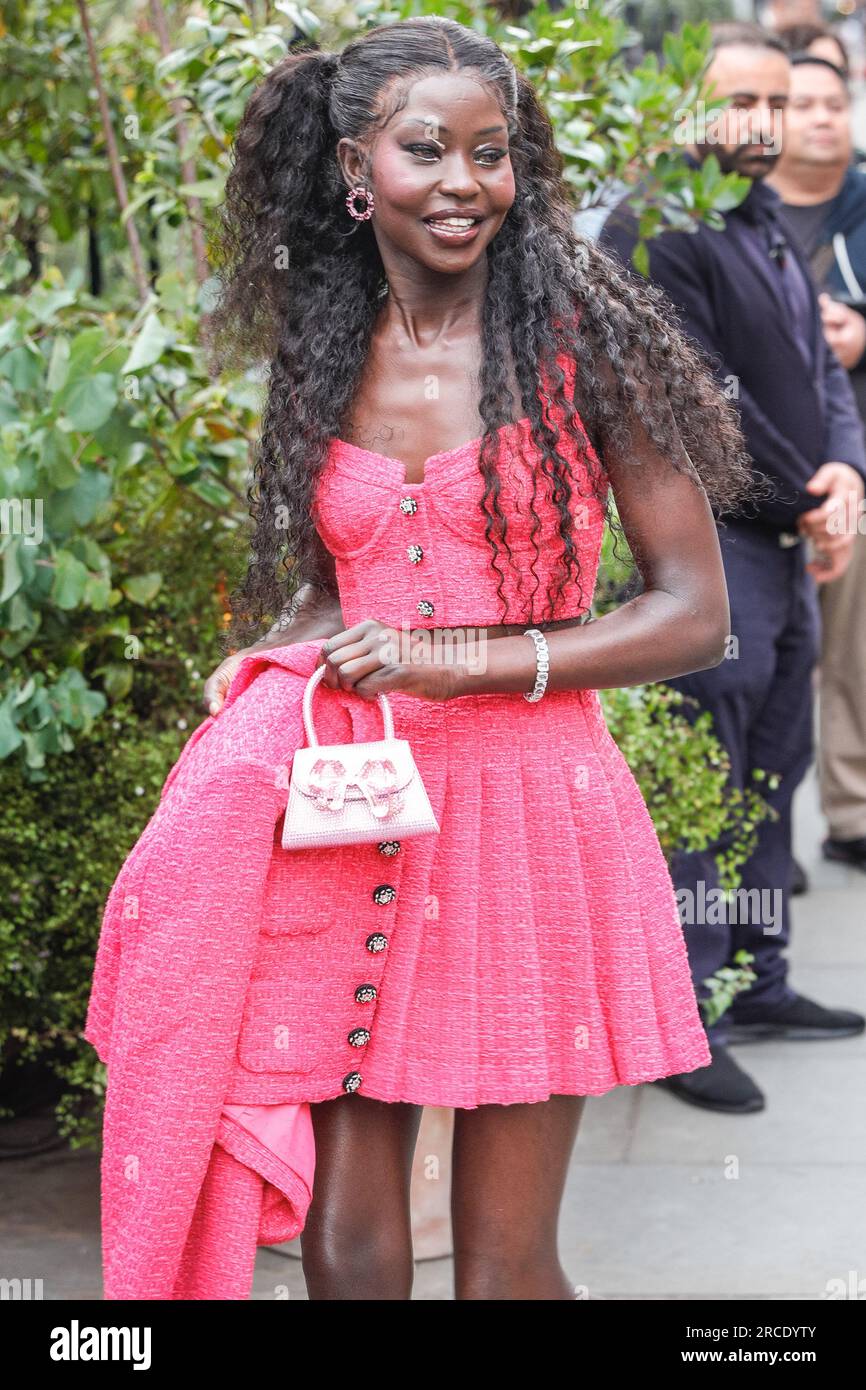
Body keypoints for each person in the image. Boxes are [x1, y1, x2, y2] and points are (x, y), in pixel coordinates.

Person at [85, 15, 753, 1301]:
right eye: (424, 150)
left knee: (502, 1269)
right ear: (354, 170)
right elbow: (336, 588)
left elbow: (690, 615)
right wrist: (272, 660)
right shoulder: (325, 348)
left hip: (528, 822)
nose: (462, 182)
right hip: (348, 817)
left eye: (489, 154)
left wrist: (466, 663)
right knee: (346, 1237)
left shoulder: (582, 345)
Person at [600, 21, 866, 1117]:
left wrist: (844, 469)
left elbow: (818, 370)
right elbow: (696, 402)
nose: (758, 124)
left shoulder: (758, 218)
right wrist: (813, 490)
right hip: (699, 553)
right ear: (684, 102)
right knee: (700, 791)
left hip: (776, 542)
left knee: (769, 773)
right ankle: (681, 1020)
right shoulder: (651, 228)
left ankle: (753, 979)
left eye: (774, 103)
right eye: (739, 103)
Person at [767, 53, 866, 875]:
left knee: (852, 650)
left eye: (836, 103)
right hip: (763, 478)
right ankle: (769, 839)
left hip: (850, 461)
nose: (822, 118)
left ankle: (852, 813)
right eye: (803, 104)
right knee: (771, 655)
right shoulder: (744, 212)